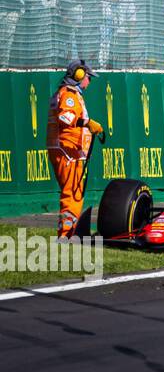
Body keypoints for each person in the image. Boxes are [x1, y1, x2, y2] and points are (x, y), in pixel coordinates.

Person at [46, 59, 104, 239]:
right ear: (79, 75)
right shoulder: (69, 95)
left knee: (74, 193)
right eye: (88, 77)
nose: (89, 80)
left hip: (70, 151)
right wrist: (87, 123)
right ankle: (66, 235)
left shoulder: (68, 93)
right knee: (71, 194)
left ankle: (69, 233)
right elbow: (65, 118)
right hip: (67, 152)